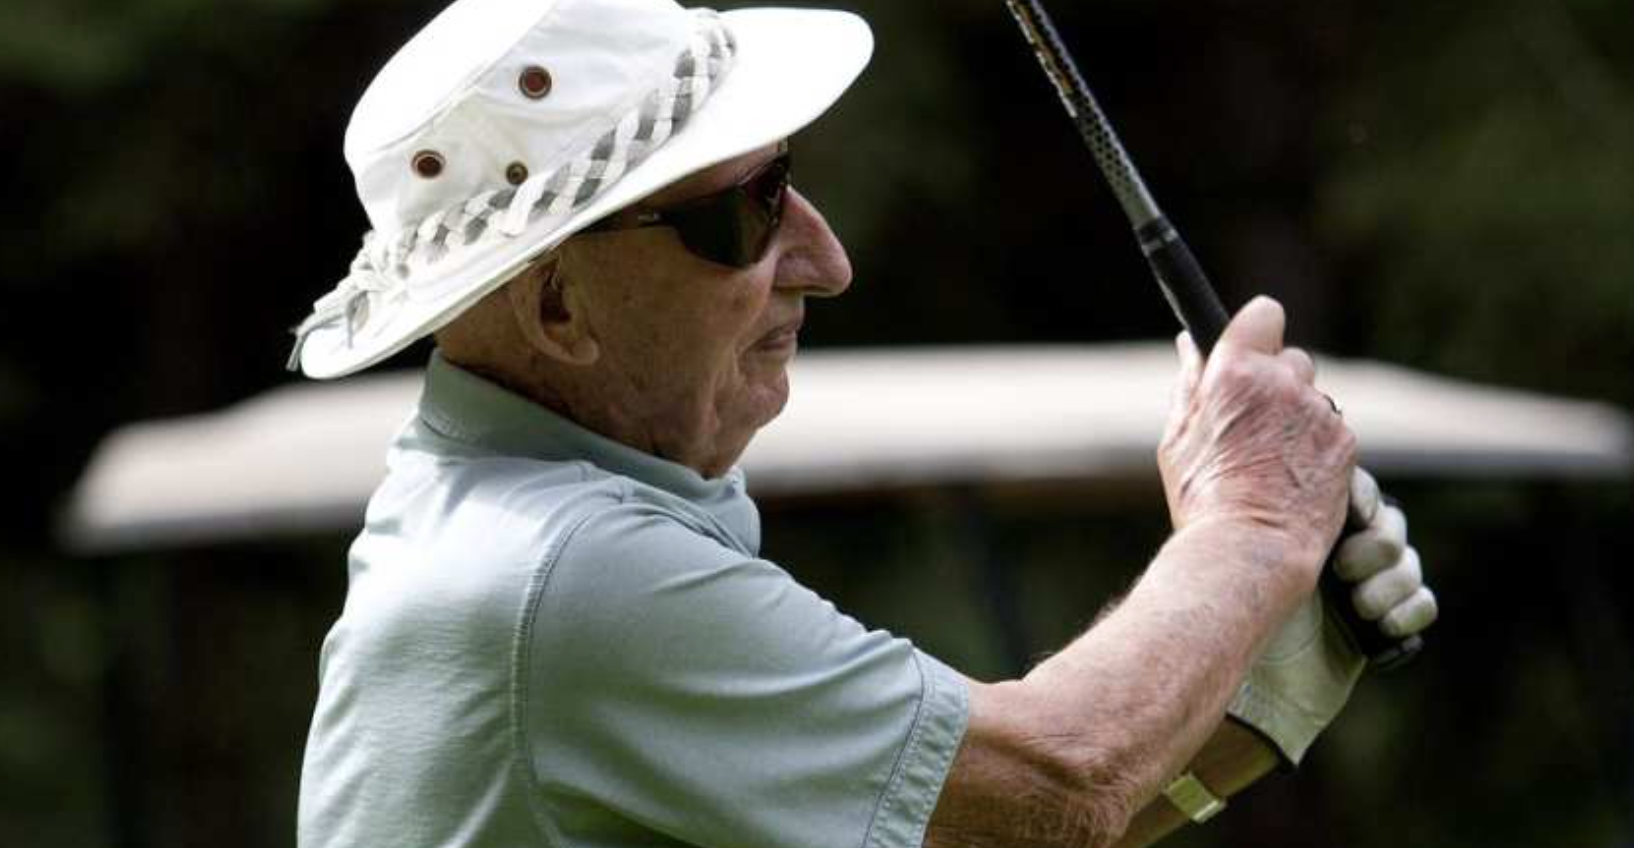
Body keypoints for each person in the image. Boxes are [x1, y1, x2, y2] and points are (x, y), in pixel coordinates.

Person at [289, 0, 1439, 847]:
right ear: (555, 309)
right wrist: (1250, 522)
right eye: (745, 214)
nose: (825, 260)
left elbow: (986, 827)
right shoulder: (565, 570)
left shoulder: (517, 524)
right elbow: (1051, 789)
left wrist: (1264, 679)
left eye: (785, 177)